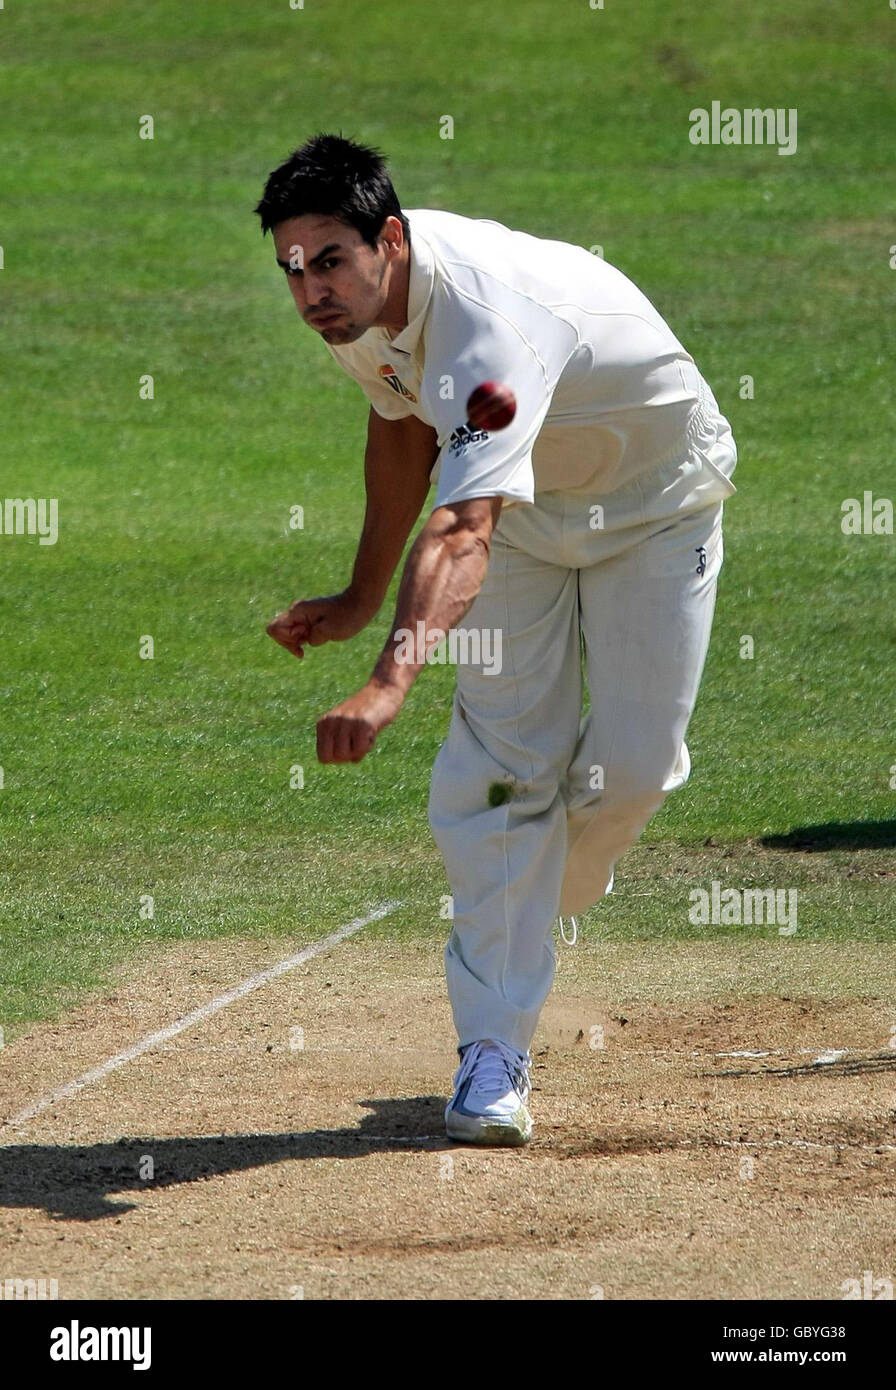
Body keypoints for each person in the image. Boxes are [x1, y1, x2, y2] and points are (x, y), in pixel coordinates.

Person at [255, 133, 738, 1146]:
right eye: (291, 268)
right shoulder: (352, 302)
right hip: (516, 512)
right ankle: (491, 1054)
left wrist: (388, 682)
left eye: (328, 261)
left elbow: (460, 524)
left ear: (388, 237)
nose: (309, 292)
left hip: (650, 505)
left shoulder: (487, 328)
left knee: (635, 768)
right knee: (504, 768)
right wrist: (357, 592)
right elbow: (400, 427)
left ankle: (547, 878)